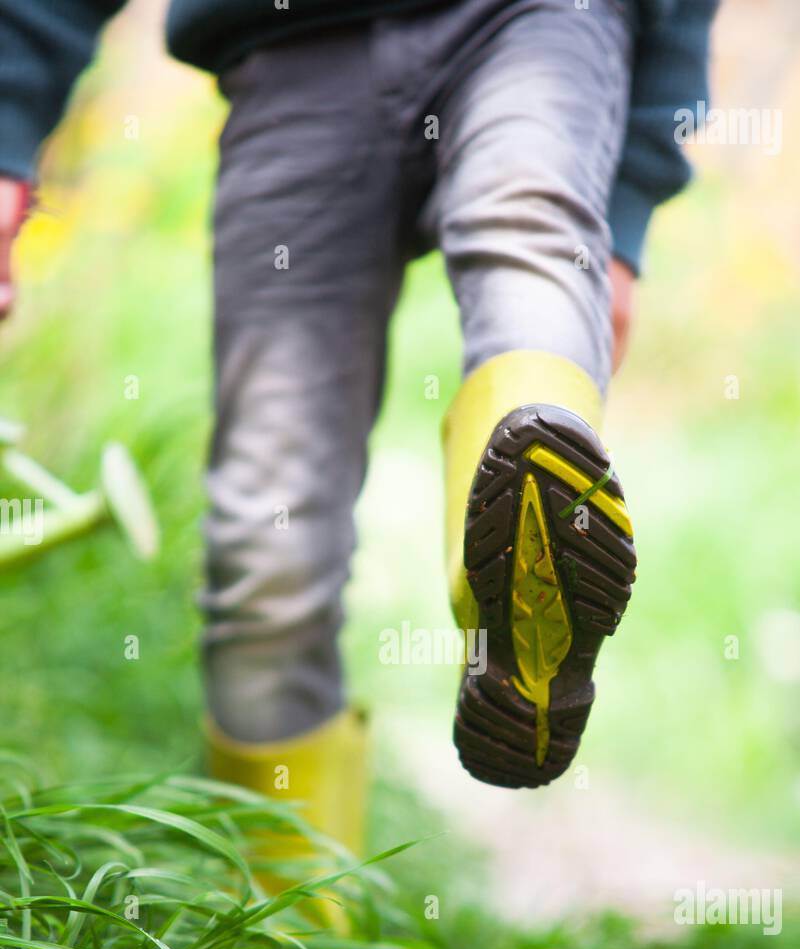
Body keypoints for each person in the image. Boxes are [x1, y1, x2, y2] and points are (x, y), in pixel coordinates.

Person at [0, 0, 718, 859]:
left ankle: (520, 602)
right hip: (289, 44)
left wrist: (626, 208)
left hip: (536, 20)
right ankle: (518, 597)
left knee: (530, 245)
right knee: (276, 520)